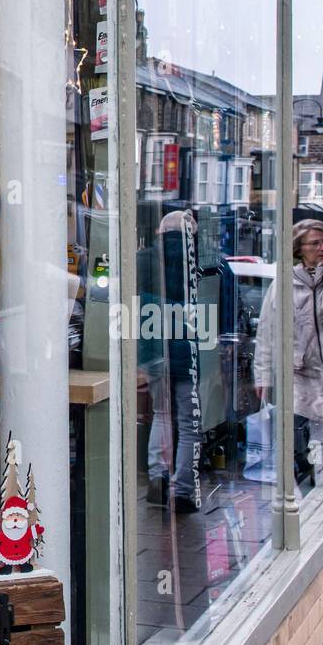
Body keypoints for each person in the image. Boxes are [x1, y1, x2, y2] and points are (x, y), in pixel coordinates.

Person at [255, 219, 323, 490]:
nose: (322, 247)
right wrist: (263, 375)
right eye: (314, 243)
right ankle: (309, 493)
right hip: (299, 374)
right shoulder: (284, 284)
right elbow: (267, 332)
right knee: (295, 442)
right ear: (299, 248)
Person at [140, 209, 203, 513]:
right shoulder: (198, 264)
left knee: (161, 414)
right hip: (187, 351)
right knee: (188, 423)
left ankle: (157, 478)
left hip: (153, 350)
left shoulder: (145, 259)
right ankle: (183, 490)